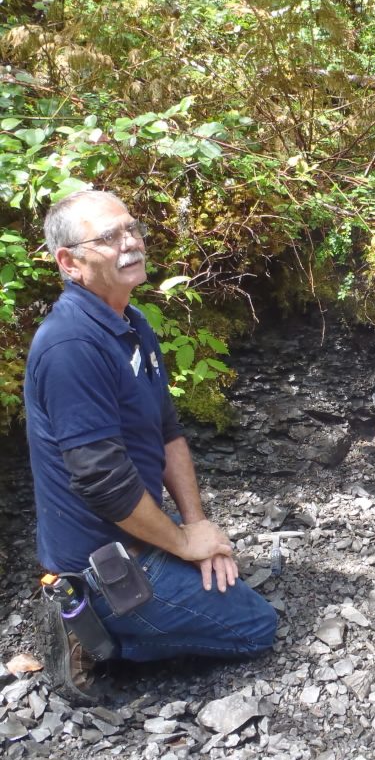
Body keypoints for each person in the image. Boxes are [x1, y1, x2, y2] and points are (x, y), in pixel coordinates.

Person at [25, 190, 278, 702]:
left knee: (233, 589)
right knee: (257, 628)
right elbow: (103, 482)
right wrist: (183, 545)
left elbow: (168, 431)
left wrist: (196, 523)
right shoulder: (70, 347)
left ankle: (123, 606)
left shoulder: (132, 324)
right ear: (69, 262)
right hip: (103, 561)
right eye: (110, 237)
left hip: (140, 534)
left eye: (132, 229)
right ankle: (93, 630)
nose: (130, 243)